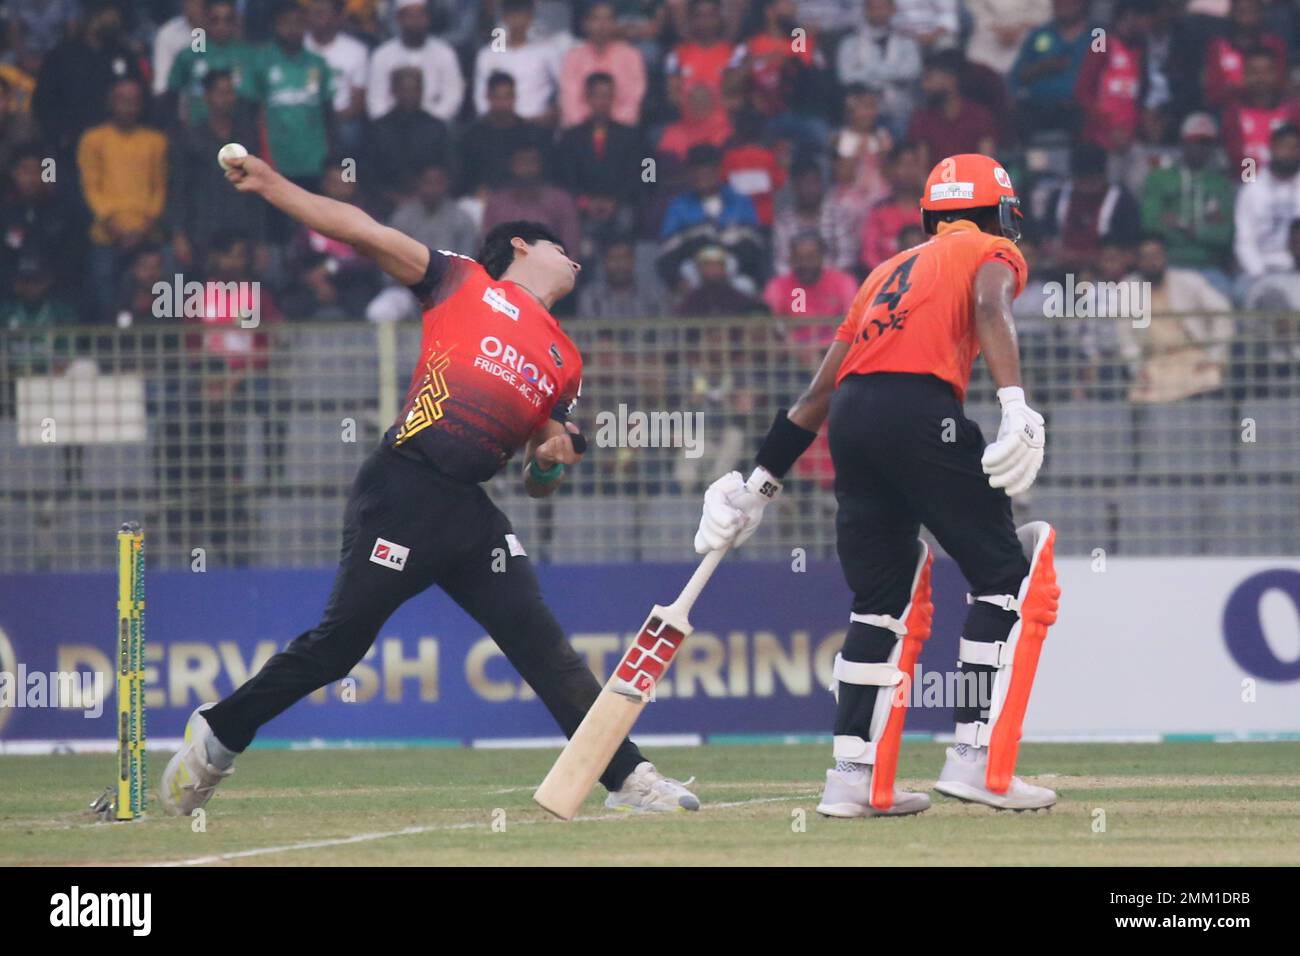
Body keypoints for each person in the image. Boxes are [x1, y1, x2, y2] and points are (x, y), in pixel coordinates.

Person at [160, 153, 699, 817]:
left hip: (470, 514)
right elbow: (362, 231)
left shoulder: (566, 357)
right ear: (522, 246)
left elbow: (538, 477)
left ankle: (629, 780)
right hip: (404, 486)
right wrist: (273, 185)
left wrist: (553, 458)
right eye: (563, 249)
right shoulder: (463, 280)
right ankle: (218, 732)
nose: (577, 260)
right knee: (337, 649)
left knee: (546, 649)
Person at [693, 153, 1060, 816]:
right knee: (1007, 573)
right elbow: (988, 304)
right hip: (920, 413)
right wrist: (1014, 400)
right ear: (998, 212)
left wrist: (760, 483)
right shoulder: (992, 251)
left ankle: (851, 778)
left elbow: (819, 391)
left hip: (852, 420)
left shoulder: (884, 272)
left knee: (879, 602)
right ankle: (976, 759)